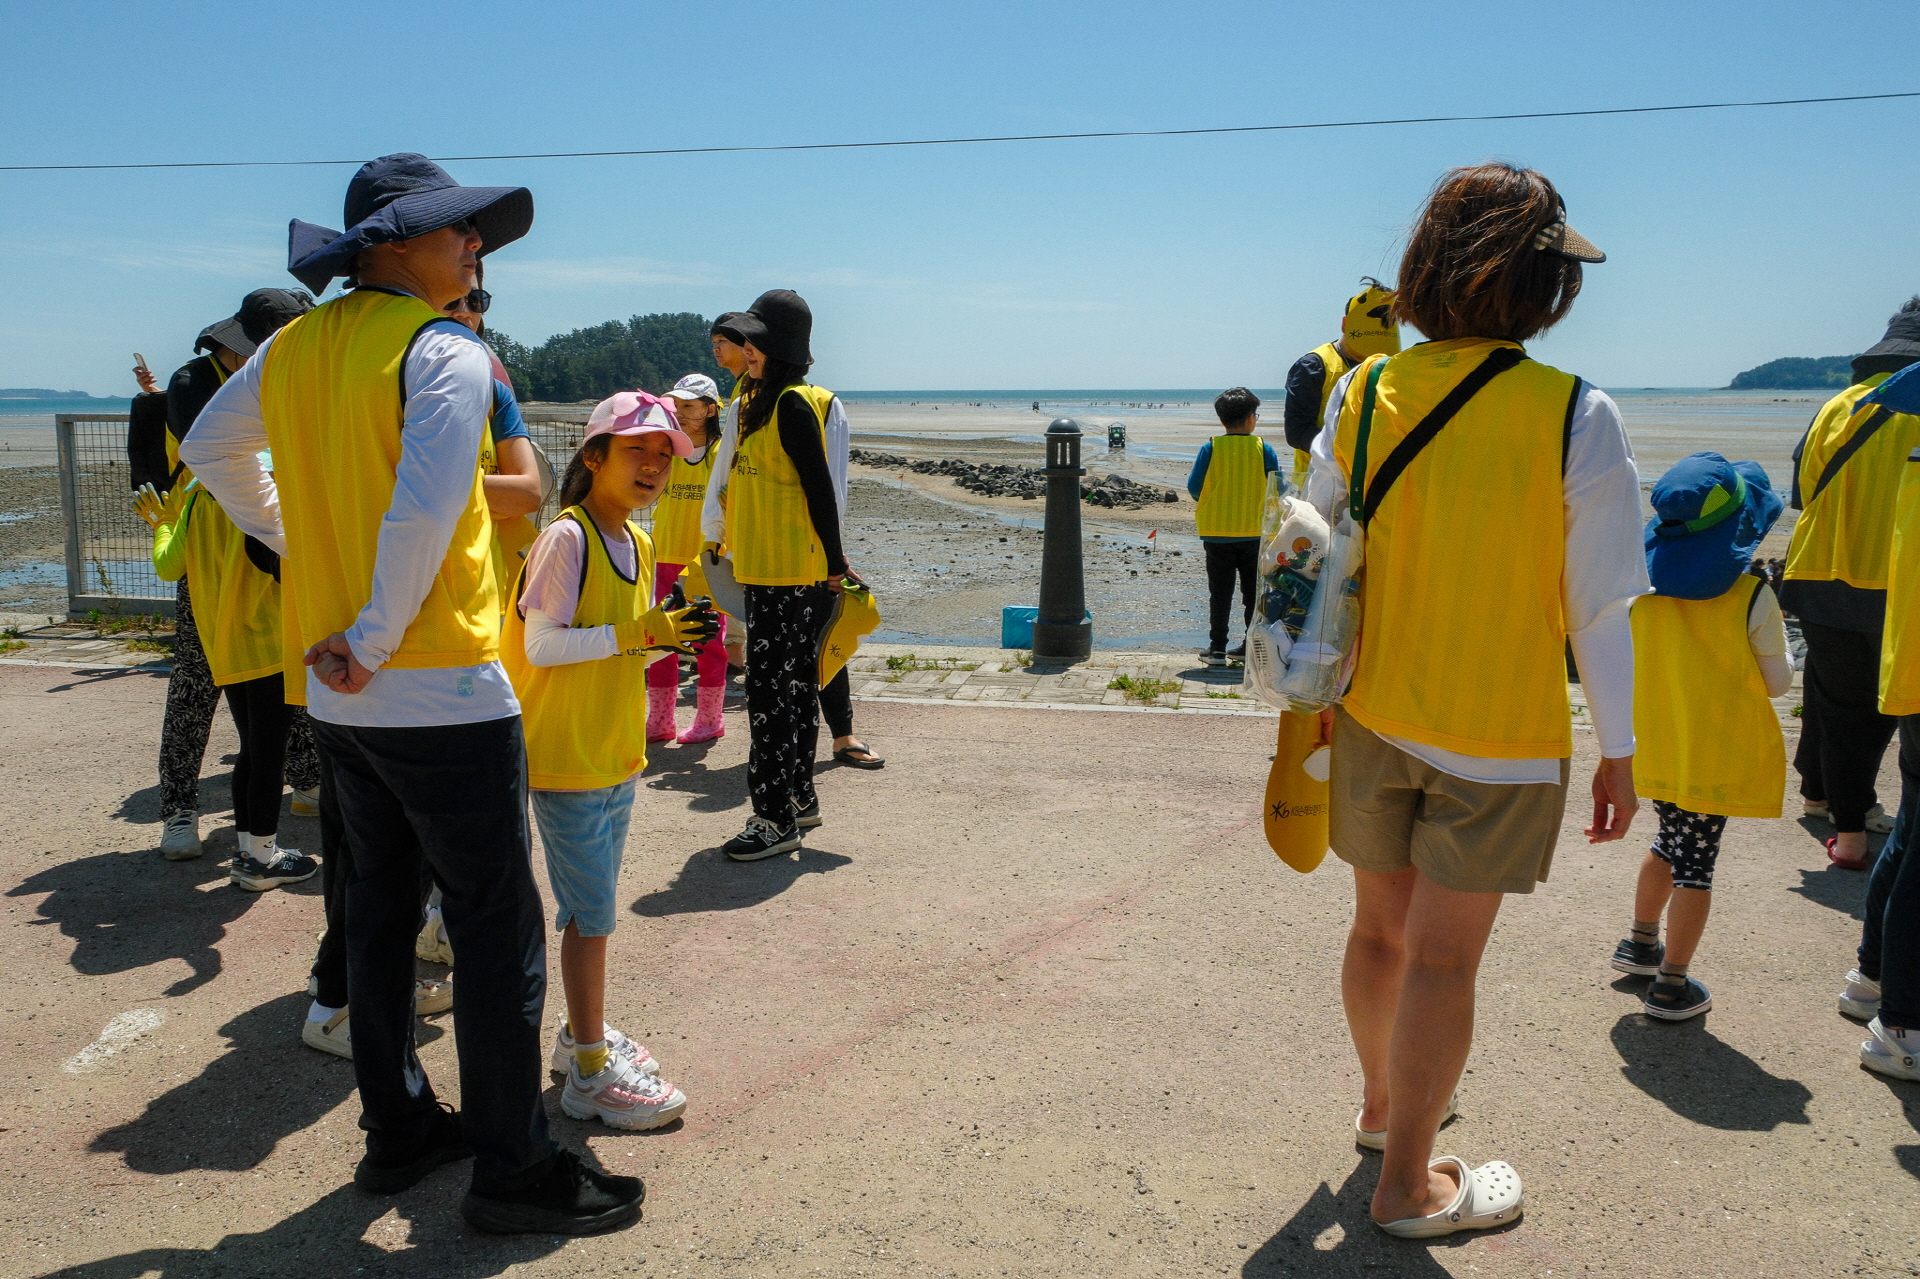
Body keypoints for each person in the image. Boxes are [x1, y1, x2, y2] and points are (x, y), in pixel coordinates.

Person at [181, 152, 642, 1235]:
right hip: (436, 684)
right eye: (457, 231)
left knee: (376, 911)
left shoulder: (297, 344)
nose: (473, 246)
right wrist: (378, 631)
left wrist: (302, 548)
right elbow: (431, 510)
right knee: (496, 929)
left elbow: (210, 446)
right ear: (395, 243)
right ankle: (513, 1168)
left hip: (340, 696)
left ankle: (398, 1128)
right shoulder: (445, 350)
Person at [1305, 163, 1643, 1237]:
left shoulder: (1361, 393)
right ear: (1541, 286)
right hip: (1498, 736)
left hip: (1368, 710)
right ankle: (1408, 1185)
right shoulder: (1576, 414)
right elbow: (1599, 608)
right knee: (1445, 956)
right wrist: (1619, 746)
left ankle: (1379, 1110)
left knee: (1378, 934)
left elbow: (1312, 555)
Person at [504, 391, 713, 1129]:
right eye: (637, 452)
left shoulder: (640, 541)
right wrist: (638, 635)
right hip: (566, 755)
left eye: (665, 455)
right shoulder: (569, 537)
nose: (654, 466)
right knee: (590, 916)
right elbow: (541, 645)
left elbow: (622, 636)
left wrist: (666, 634)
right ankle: (589, 1067)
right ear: (592, 457)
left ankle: (576, 1038)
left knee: (591, 911)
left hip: (614, 751)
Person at [1611, 454, 1790, 1020]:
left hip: (1657, 745)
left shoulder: (1640, 591)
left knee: (1668, 838)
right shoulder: (1750, 595)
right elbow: (1778, 682)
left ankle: (1640, 942)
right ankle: (1671, 982)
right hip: (1712, 752)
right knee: (1696, 864)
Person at [153, 290, 321, 859]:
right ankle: (178, 809)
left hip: (271, 551)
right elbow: (226, 453)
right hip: (211, 554)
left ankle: (302, 781)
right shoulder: (191, 382)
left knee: (283, 673)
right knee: (198, 686)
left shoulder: (265, 378)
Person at [705, 290, 858, 861]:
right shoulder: (758, 402)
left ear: (773, 347)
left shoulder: (792, 404)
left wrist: (836, 564)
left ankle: (772, 820)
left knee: (771, 695)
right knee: (792, 689)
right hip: (772, 572)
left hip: (789, 576)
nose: (743, 350)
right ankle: (798, 797)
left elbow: (822, 491)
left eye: (751, 341)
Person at [1782, 298, 1920, 869]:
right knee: (1884, 708)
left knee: (1836, 700)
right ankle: (1857, 825)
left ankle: (1831, 807)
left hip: (1818, 572)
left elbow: (1802, 492)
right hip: (1897, 579)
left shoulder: (1838, 406)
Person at [135, 465, 320, 891]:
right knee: (267, 756)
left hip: (225, 648)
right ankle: (261, 859)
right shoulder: (262, 494)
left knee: (252, 752)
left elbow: (169, 566)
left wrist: (163, 524)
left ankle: (247, 853)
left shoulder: (198, 496)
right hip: (271, 644)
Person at [1839, 365, 1920, 1081]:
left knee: (1914, 833)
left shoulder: (1914, 456)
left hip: (1911, 665)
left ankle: (1874, 980)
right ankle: (1904, 1020)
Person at [647, 373, 731, 744]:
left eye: (688, 406)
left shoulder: (723, 452)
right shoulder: (668, 448)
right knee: (661, 638)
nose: (678, 412)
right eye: (675, 404)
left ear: (711, 409)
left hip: (706, 560)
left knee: (708, 643)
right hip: (664, 552)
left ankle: (710, 720)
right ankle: (660, 719)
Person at [1187, 386, 1280, 666]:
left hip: (1217, 531)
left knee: (1220, 592)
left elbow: (1194, 487)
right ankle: (1251, 646)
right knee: (1252, 593)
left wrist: (1217, 498)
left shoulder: (1211, 447)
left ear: (1222, 420)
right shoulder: (1264, 447)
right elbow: (1277, 489)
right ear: (1251, 418)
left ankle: (1217, 648)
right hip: (1254, 532)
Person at [1282, 279, 1402, 486]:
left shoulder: (1390, 365)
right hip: (1317, 482)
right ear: (1345, 324)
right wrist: (1347, 452)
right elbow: (1297, 432)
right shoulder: (1314, 366)